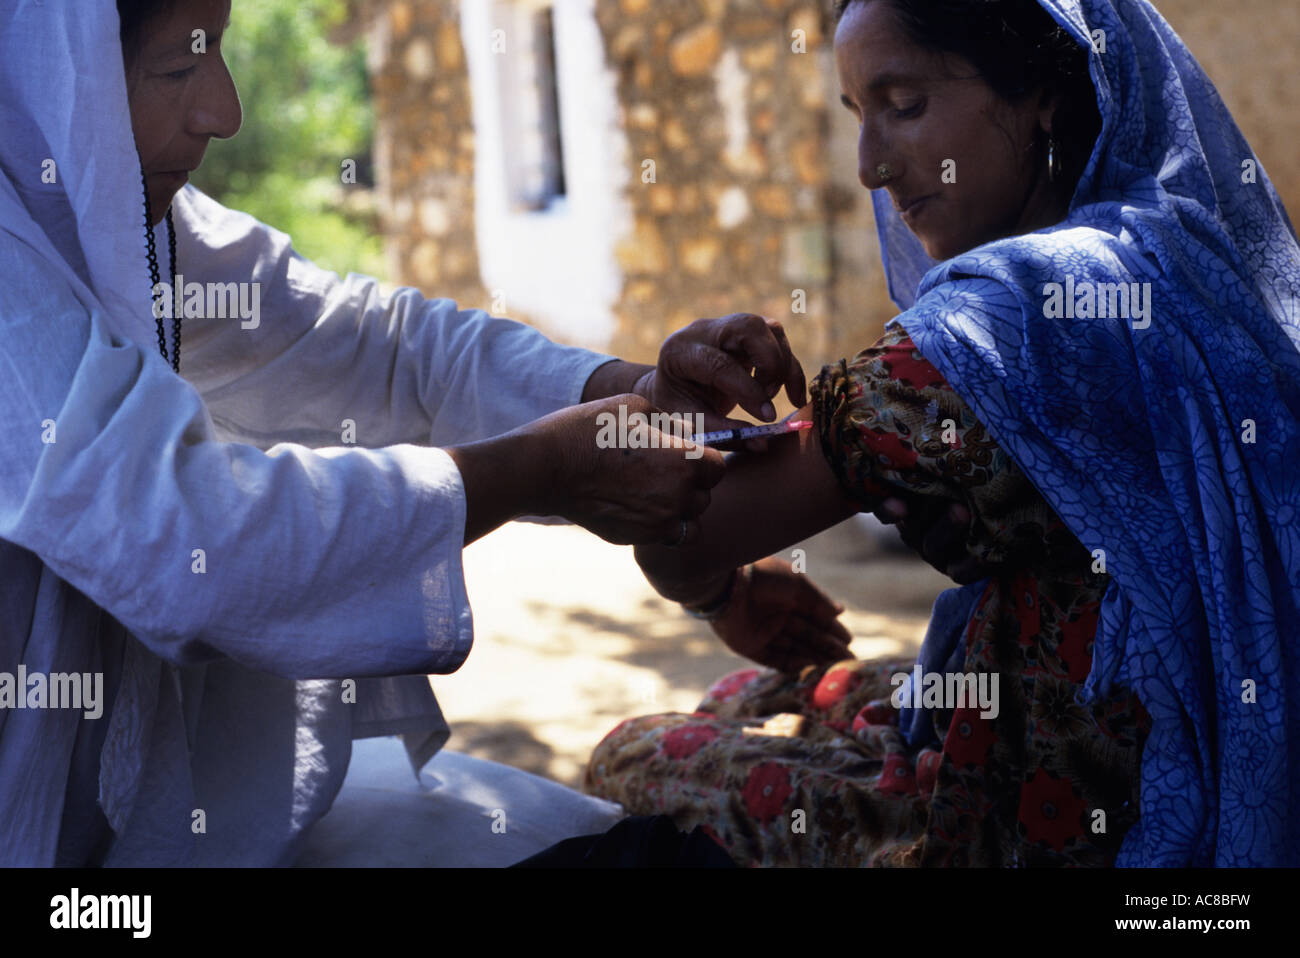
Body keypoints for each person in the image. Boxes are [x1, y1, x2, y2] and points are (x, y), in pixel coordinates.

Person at [0, 0, 849, 866]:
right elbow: (186, 539)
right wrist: (543, 471)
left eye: (216, 52)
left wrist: (639, 392)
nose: (224, 111)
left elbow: (379, 348)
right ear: (54, 77)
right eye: (177, 69)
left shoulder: (98, 217)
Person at [587, 0, 1300, 867]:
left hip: (1064, 828)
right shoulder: (1176, 249)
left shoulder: (1009, 320)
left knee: (635, 750)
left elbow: (680, 527)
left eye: (905, 105)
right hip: (1207, 747)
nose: (869, 166)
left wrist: (720, 584)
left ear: (1041, 93)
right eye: (859, 115)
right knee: (768, 690)